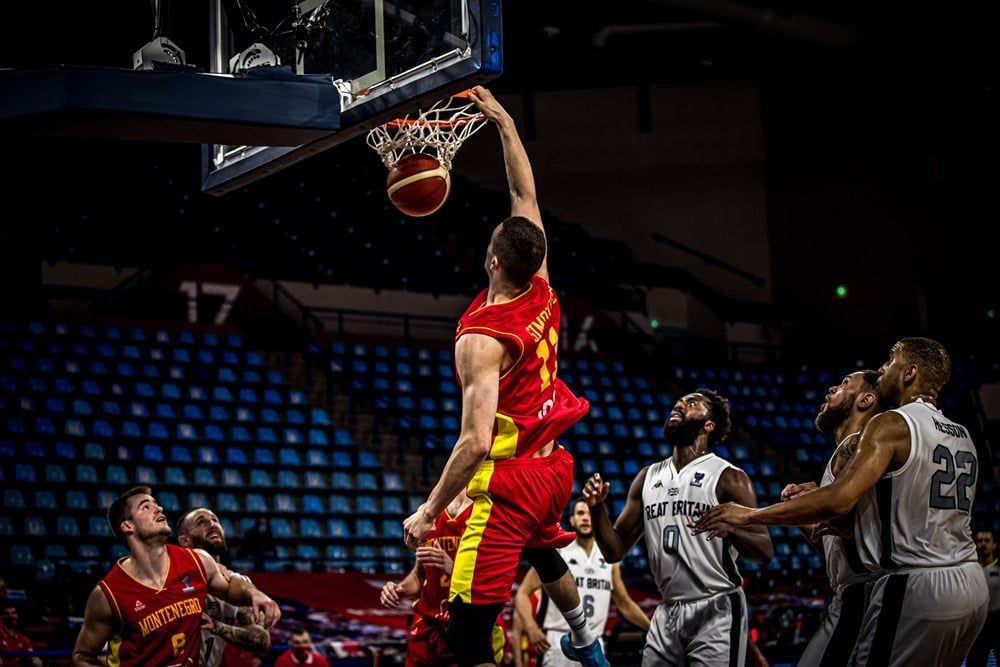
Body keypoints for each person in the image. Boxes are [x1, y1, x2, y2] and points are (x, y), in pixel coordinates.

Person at [401, 86, 606, 667]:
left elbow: (474, 442)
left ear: (494, 260)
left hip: (511, 482)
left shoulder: (482, 339)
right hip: (555, 466)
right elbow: (524, 191)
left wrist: (430, 511)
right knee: (545, 554)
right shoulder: (542, 284)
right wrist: (504, 123)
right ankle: (590, 647)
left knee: (467, 633)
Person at [693, 337, 988, 666]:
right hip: (969, 581)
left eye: (890, 361)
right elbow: (884, 520)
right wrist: (822, 521)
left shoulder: (888, 426)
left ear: (909, 372)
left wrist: (750, 515)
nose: (884, 369)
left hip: (915, 584)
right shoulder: (962, 434)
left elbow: (838, 500)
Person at [582, 388, 773, 666]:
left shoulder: (729, 477)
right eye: (678, 402)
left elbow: (765, 551)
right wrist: (597, 508)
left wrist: (732, 529)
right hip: (667, 609)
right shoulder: (647, 477)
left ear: (709, 425)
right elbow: (614, 550)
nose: (680, 405)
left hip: (716, 606)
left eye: (692, 403)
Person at [72, 486, 280, 667]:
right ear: (128, 526)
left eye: (157, 504)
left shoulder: (197, 563)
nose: (159, 508)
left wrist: (253, 594)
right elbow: (82, 656)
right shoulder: (108, 594)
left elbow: (229, 589)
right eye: (146, 506)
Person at [781, 370, 880, 666]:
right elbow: (842, 541)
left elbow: (860, 539)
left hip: (863, 593)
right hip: (855, 590)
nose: (831, 388)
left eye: (844, 383)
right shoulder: (848, 452)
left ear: (866, 399)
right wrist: (806, 518)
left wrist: (750, 517)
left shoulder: (861, 448)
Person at [513, 498, 650, 666]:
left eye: (590, 513)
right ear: (571, 520)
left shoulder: (609, 559)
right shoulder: (560, 551)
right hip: (557, 641)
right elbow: (522, 592)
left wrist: (651, 628)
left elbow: (624, 603)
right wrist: (531, 627)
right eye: (580, 513)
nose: (585, 518)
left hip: (595, 642)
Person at [380, 493, 507, 666]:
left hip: (469, 625)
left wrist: (454, 569)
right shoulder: (427, 513)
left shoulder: (489, 512)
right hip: (428, 628)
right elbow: (419, 575)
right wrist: (400, 589)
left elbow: (496, 582)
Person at [176, 507, 271, 667]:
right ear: (185, 541)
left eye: (215, 520)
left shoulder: (239, 583)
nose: (212, 524)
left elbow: (261, 640)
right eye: (201, 522)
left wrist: (217, 626)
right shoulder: (173, 576)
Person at [967, 529, 1000, 667]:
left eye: (987, 541)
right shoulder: (969, 570)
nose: (983, 544)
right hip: (976, 625)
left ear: (994, 545)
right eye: (980, 541)